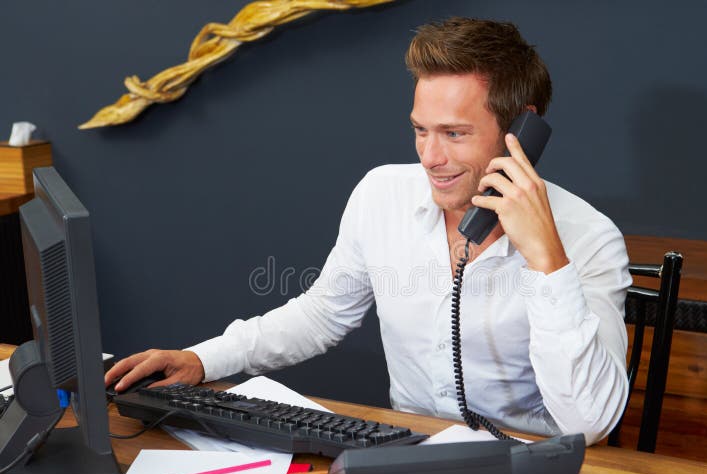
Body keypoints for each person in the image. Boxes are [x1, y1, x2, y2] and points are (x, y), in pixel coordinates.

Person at [105, 17, 631, 445]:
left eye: (454, 134)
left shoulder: (589, 239)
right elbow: (323, 314)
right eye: (420, 130)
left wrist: (547, 262)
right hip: (406, 454)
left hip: (530, 472)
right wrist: (203, 359)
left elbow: (590, 423)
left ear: (522, 131)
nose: (430, 157)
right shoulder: (382, 193)